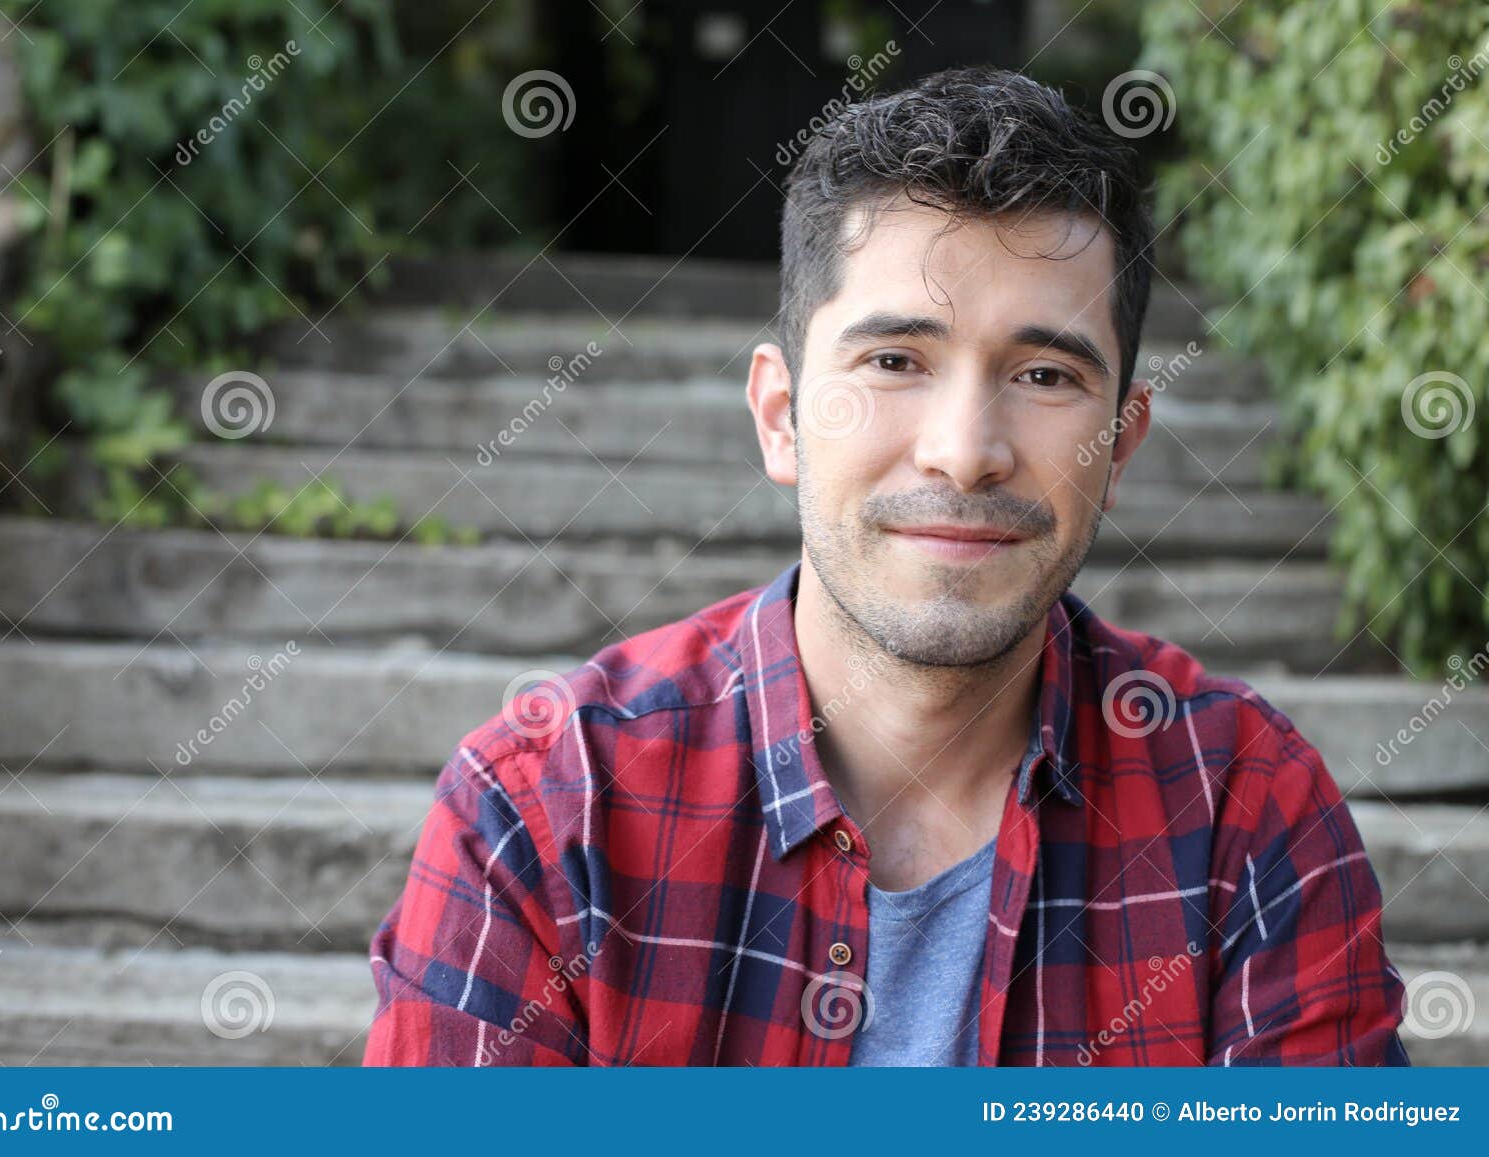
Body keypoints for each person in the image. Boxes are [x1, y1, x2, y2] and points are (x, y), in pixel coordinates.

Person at [363, 66, 1407, 1066]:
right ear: (780, 416)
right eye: (895, 360)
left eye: (1044, 374)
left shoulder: (1244, 809)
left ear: (1120, 444)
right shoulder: (546, 808)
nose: (964, 448)